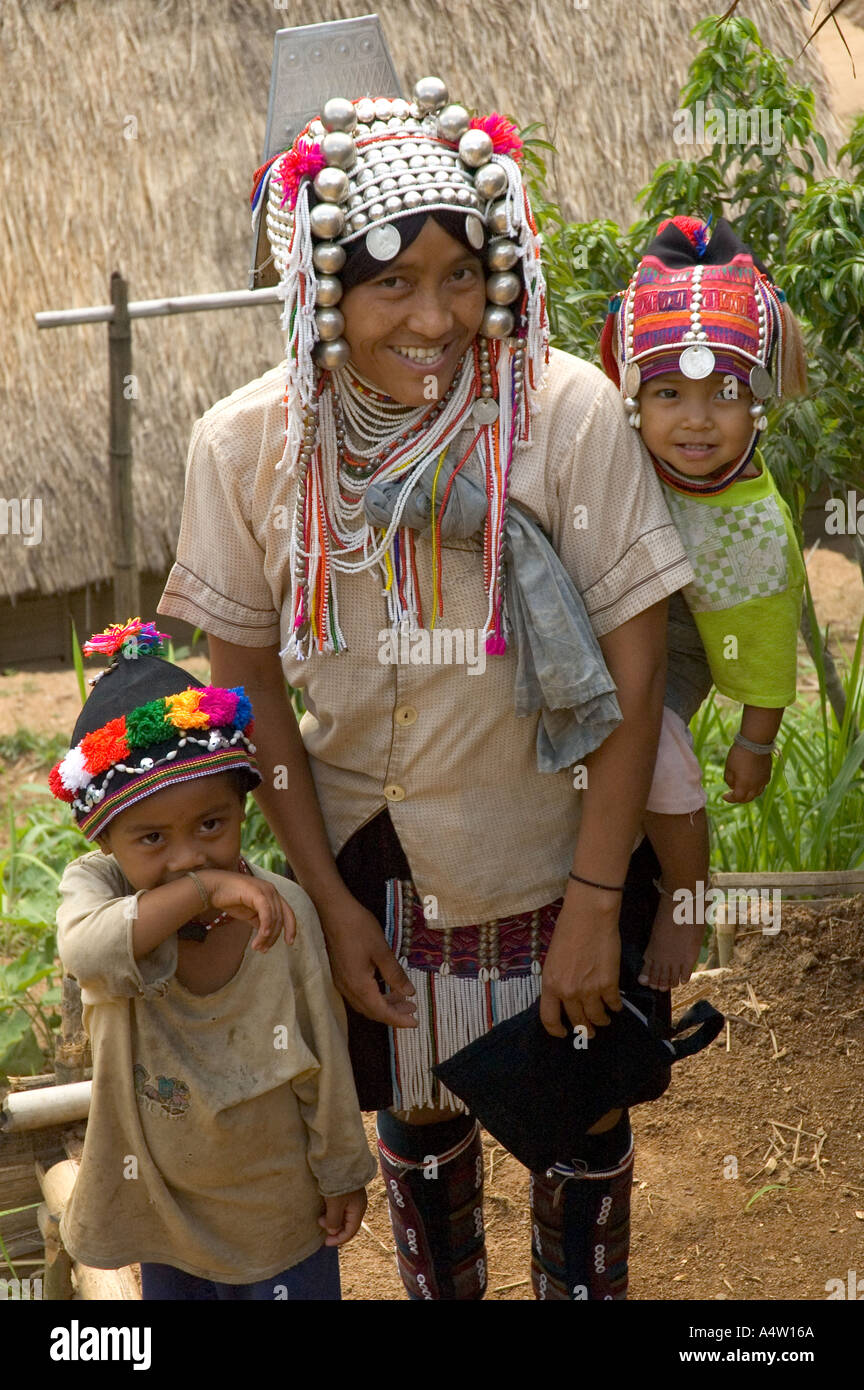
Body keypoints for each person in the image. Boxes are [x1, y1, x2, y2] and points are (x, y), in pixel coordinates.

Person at [158, 78, 696, 1301]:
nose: (436, 316)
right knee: (420, 1139)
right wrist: (328, 903)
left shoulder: (564, 415)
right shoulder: (246, 446)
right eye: (391, 281)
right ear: (316, 286)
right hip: (372, 878)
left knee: (579, 1140)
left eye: (464, 273)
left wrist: (596, 902)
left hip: (551, 862)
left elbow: (634, 661)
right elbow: (246, 692)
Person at [50, 619, 375, 1301]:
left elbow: (323, 1045)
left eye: (211, 825)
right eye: (151, 838)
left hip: (278, 1216)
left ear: (241, 810)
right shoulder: (95, 891)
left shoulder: (283, 910)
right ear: (106, 842)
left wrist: (342, 1170)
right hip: (163, 1215)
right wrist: (207, 889)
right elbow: (87, 951)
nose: (189, 855)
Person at [599, 216, 807, 990]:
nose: (695, 418)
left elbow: (761, 638)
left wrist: (754, 741)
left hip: (688, 644)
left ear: (755, 401)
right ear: (632, 397)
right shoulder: (609, 456)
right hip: (614, 620)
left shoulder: (753, 525)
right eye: (667, 393)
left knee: (649, 744)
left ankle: (684, 891)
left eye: (723, 393)